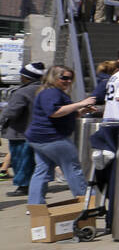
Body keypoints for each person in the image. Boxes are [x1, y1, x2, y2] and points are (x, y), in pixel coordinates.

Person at [26, 65, 97, 206]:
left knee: (42, 171)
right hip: (52, 138)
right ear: (54, 77)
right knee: (73, 169)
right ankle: (87, 203)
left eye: (71, 78)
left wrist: (80, 111)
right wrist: (80, 103)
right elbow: (53, 112)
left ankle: (35, 206)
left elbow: (61, 113)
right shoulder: (51, 93)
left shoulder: (50, 92)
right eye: (64, 78)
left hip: (39, 139)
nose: (68, 81)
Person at [1, 62, 46, 197]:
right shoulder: (45, 89)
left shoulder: (22, 92)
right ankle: (35, 184)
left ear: (27, 77)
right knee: (35, 161)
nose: (20, 78)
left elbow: (11, 112)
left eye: (22, 75)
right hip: (39, 131)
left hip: (20, 132)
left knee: (21, 160)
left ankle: (23, 186)